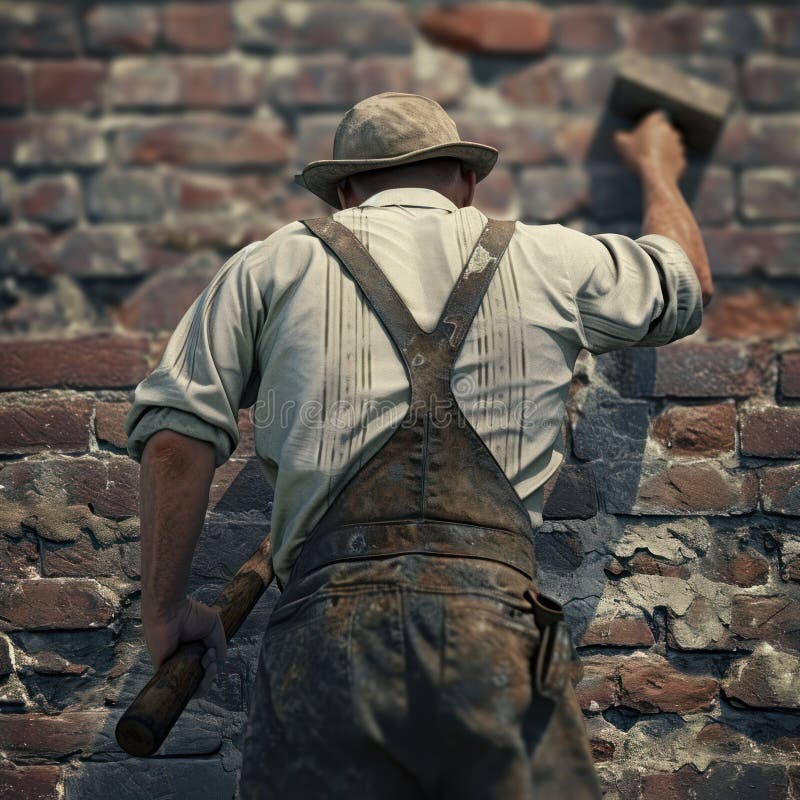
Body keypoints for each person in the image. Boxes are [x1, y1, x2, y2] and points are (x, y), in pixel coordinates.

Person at [125, 92, 712, 798]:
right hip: (496, 640)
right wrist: (657, 164)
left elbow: (173, 441)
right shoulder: (552, 257)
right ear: (466, 182)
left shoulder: (270, 264)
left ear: (346, 191)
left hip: (326, 642)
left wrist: (164, 612)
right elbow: (683, 282)